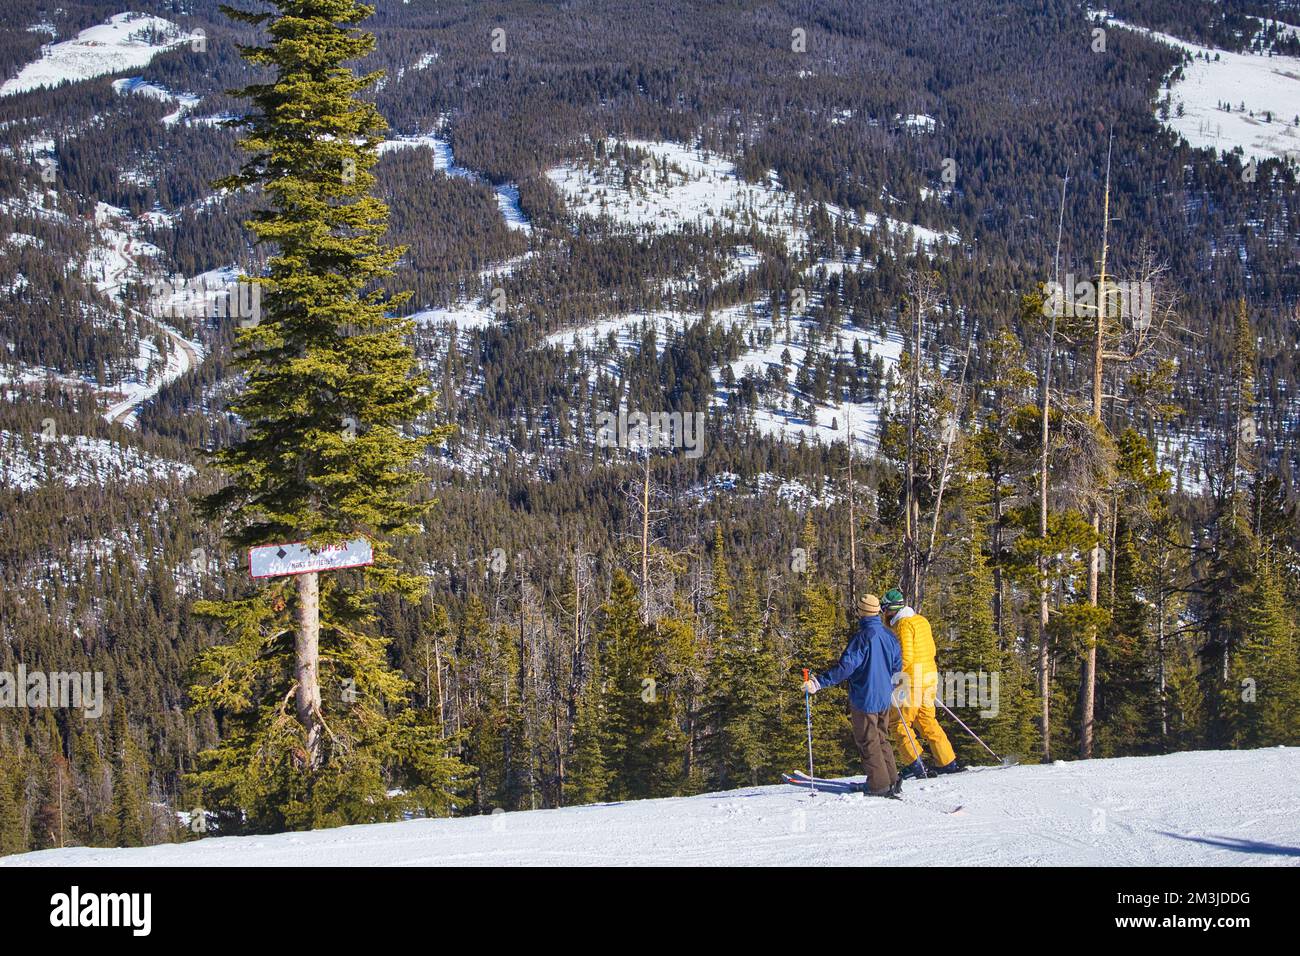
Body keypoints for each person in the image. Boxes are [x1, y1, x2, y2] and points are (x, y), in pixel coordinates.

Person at [801, 593, 902, 797]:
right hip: (884, 696)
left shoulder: (863, 638)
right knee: (881, 738)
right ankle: (891, 779)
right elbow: (897, 666)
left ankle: (878, 785)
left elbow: (846, 667)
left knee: (868, 740)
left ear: (862, 613)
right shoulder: (889, 635)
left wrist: (818, 682)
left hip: (865, 697)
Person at [881, 588, 964, 779]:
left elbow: (906, 657)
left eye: (885, 609)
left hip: (911, 682)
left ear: (890, 609)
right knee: (926, 721)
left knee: (899, 722)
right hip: (929, 679)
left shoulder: (903, 625)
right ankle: (947, 761)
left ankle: (915, 763)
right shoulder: (921, 620)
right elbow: (932, 649)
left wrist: (892, 675)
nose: (884, 614)